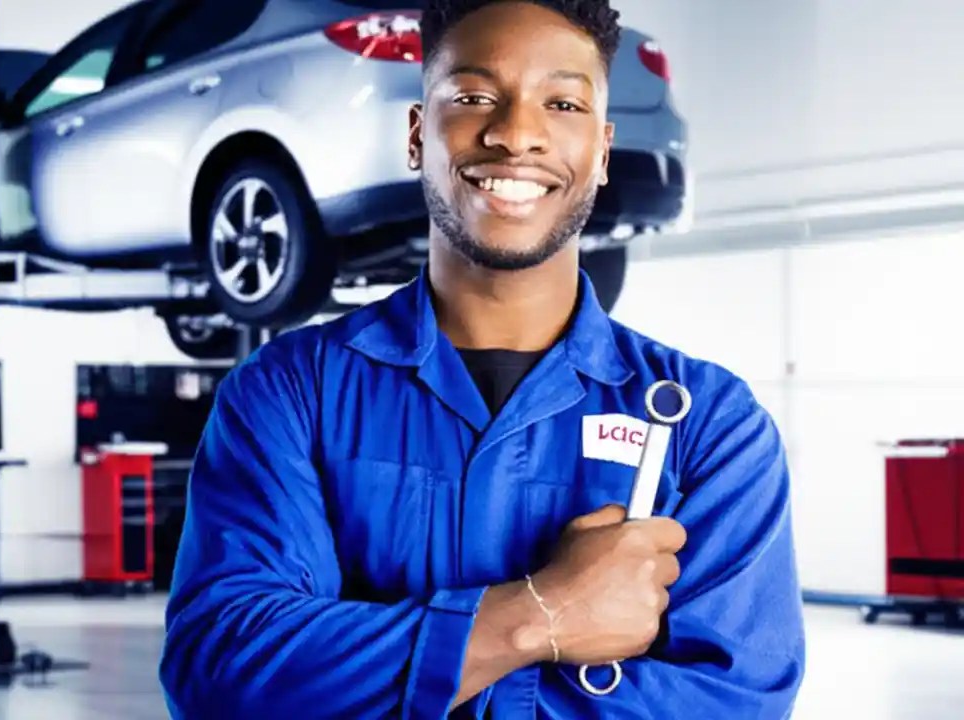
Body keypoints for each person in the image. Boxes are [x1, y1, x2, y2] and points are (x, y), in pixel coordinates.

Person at [158, 0, 807, 717]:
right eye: (472, 97)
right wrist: (541, 615)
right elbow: (224, 667)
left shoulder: (711, 425)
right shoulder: (287, 394)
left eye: (562, 102)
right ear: (416, 134)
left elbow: (731, 699)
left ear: (600, 150)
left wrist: (382, 669)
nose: (516, 134)